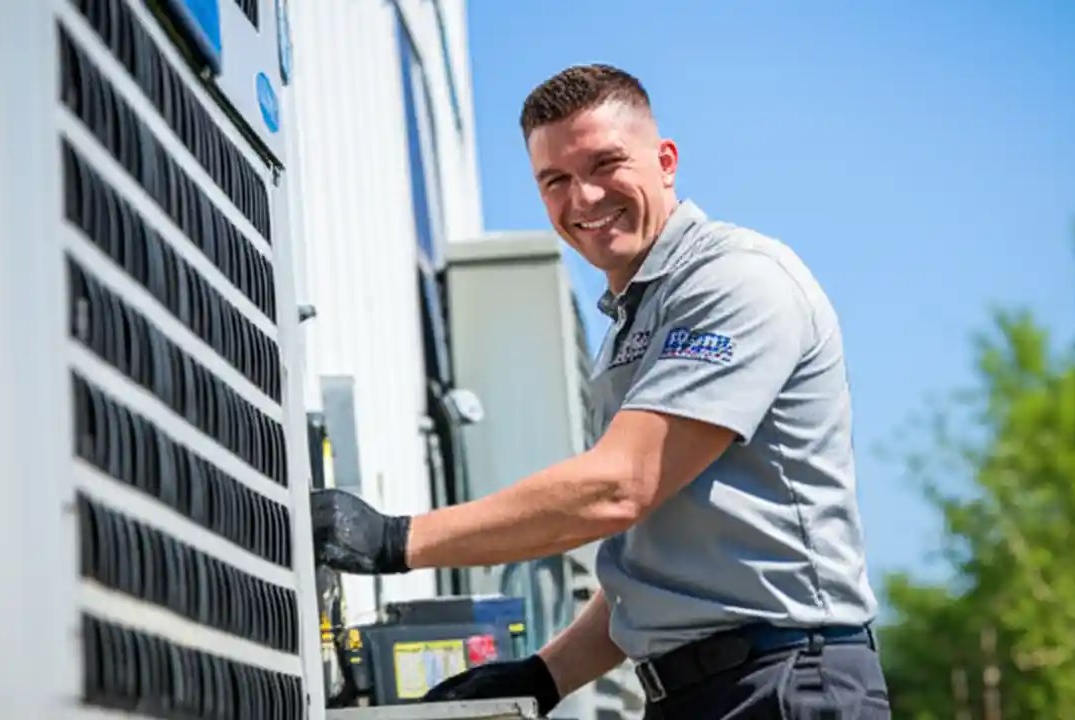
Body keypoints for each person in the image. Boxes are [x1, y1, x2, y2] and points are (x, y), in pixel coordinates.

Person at [311, 63, 890, 719]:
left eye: (604, 164)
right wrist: (545, 674)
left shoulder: (737, 280)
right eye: (554, 180)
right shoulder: (630, 327)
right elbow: (652, 571)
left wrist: (396, 539)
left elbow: (621, 486)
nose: (582, 198)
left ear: (665, 161)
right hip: (700, 692)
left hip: (784, 684)